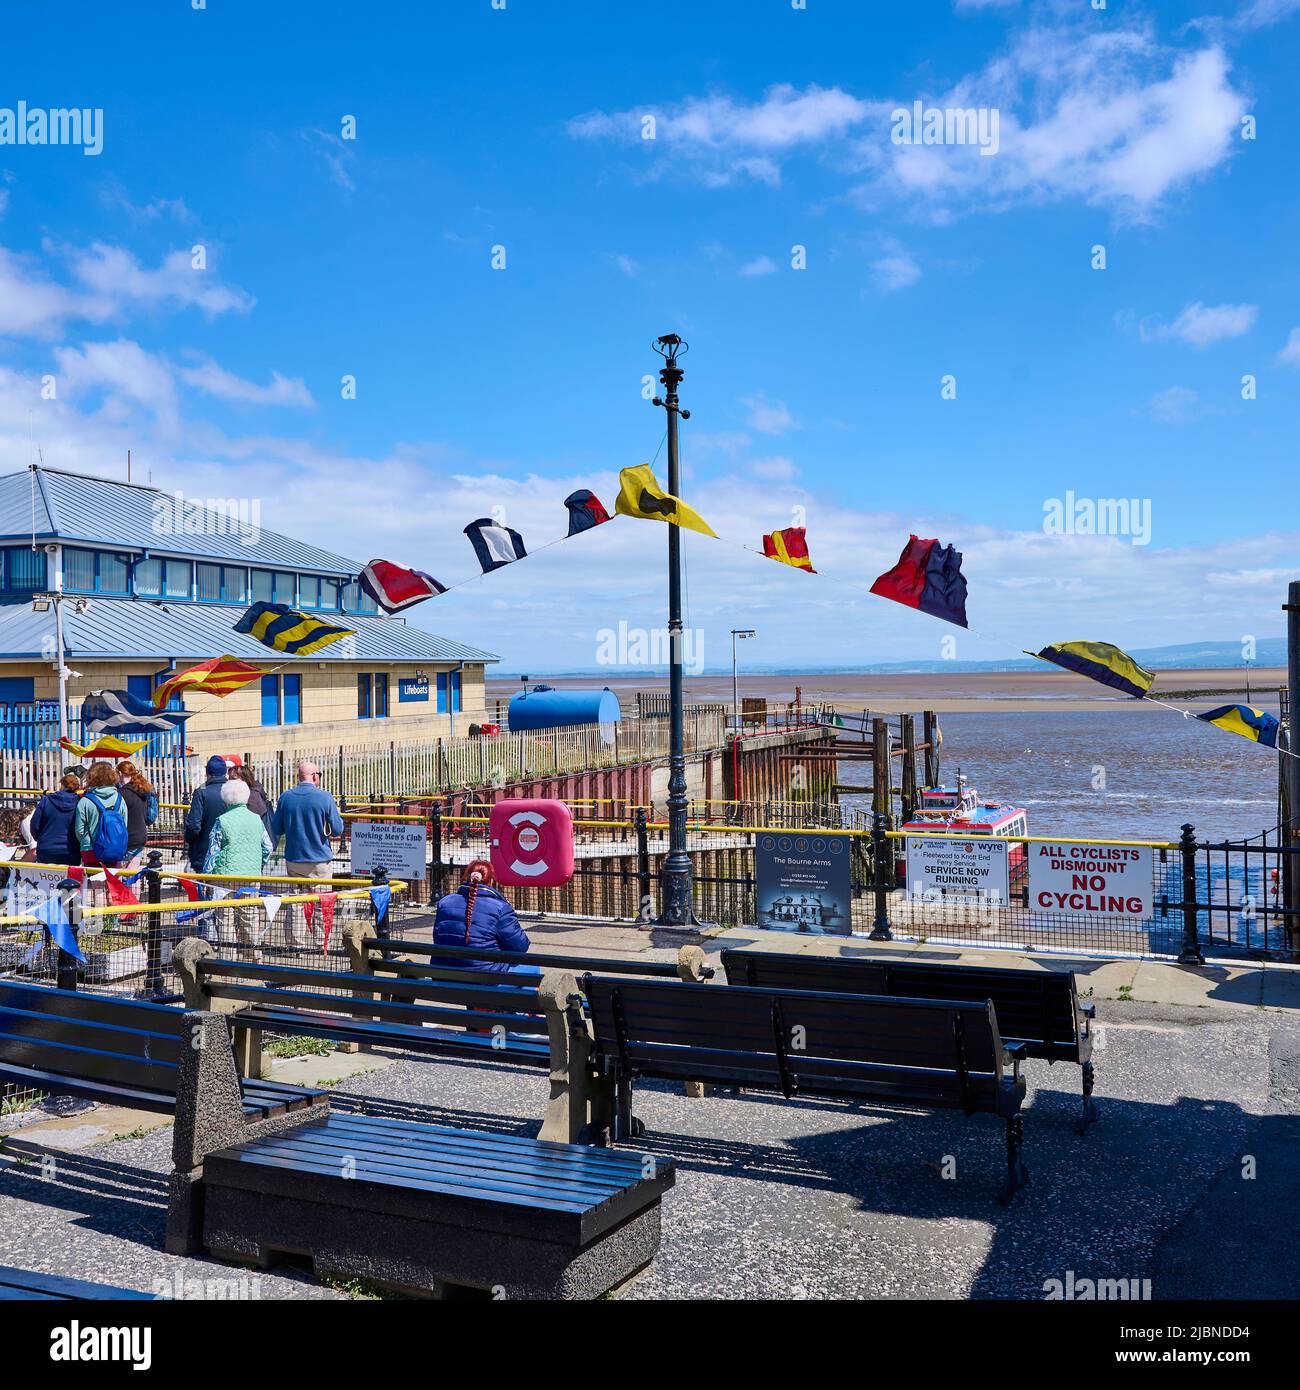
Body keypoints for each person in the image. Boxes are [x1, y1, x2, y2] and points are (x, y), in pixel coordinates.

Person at [271, 760, 343, 947]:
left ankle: (295, 943)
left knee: (295, 902)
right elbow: (337, 829)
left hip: (294, 858)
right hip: (319, 859)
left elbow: (276, 827)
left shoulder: (286, 797)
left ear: (298, 777)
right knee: (321, 901)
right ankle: (321, 942)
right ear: (314, 776)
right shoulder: (325, 797)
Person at [431, 859, 536, 974]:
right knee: (533, 969)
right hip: (485, 978)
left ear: (466, 877)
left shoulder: (444, 903)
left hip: (442, 973)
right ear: (490, 881)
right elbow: (520, 947)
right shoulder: (500, 908)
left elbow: (439, 937)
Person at [204, 779, 273, 950]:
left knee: (225, 918)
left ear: (225, 798)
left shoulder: (222, 820)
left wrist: (206, 877)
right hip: (250, 876)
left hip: (224, 878)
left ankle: (229, 959)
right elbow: (268, 847)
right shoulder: (256, 819)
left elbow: (213, 853)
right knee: (249, 915)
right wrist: (258, 864)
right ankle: (253, 956)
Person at [74, 762, 129, 869]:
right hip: (115, 846)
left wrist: (86, 841)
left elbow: (79, 830)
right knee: (113, 883)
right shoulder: (119, 799)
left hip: (90, 849)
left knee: (95, 884)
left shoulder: (85, 801)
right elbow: (124, 824)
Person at [184, 755, 229, 871]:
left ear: (207, 772)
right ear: (225, 772)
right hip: (229, 850)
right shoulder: (234, 791)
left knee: (203, 885)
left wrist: (190, 840)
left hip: (204, 850)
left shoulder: (201, 792)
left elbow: (194, 824)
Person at [28, 773, 82, 866]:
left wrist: (40, 839)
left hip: (47, 848)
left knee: (46, 879)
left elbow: (34, 824)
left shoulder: (46, 800)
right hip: (72, 850)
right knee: (70, 879)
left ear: (62, 785)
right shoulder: (80, 802)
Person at [115, 759, 154, 874]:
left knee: (118, 875)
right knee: (133, 874)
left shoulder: (121, 793)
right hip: (140, 836)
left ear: (121, 774)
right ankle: (134, 893)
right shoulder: (142, 790)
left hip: (127, 839)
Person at [232, 764, 273, 836]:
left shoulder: (253, 797)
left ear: (244, 779)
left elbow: (251, 823)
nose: (229, 782)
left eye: (234, 779)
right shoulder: (246, 794)